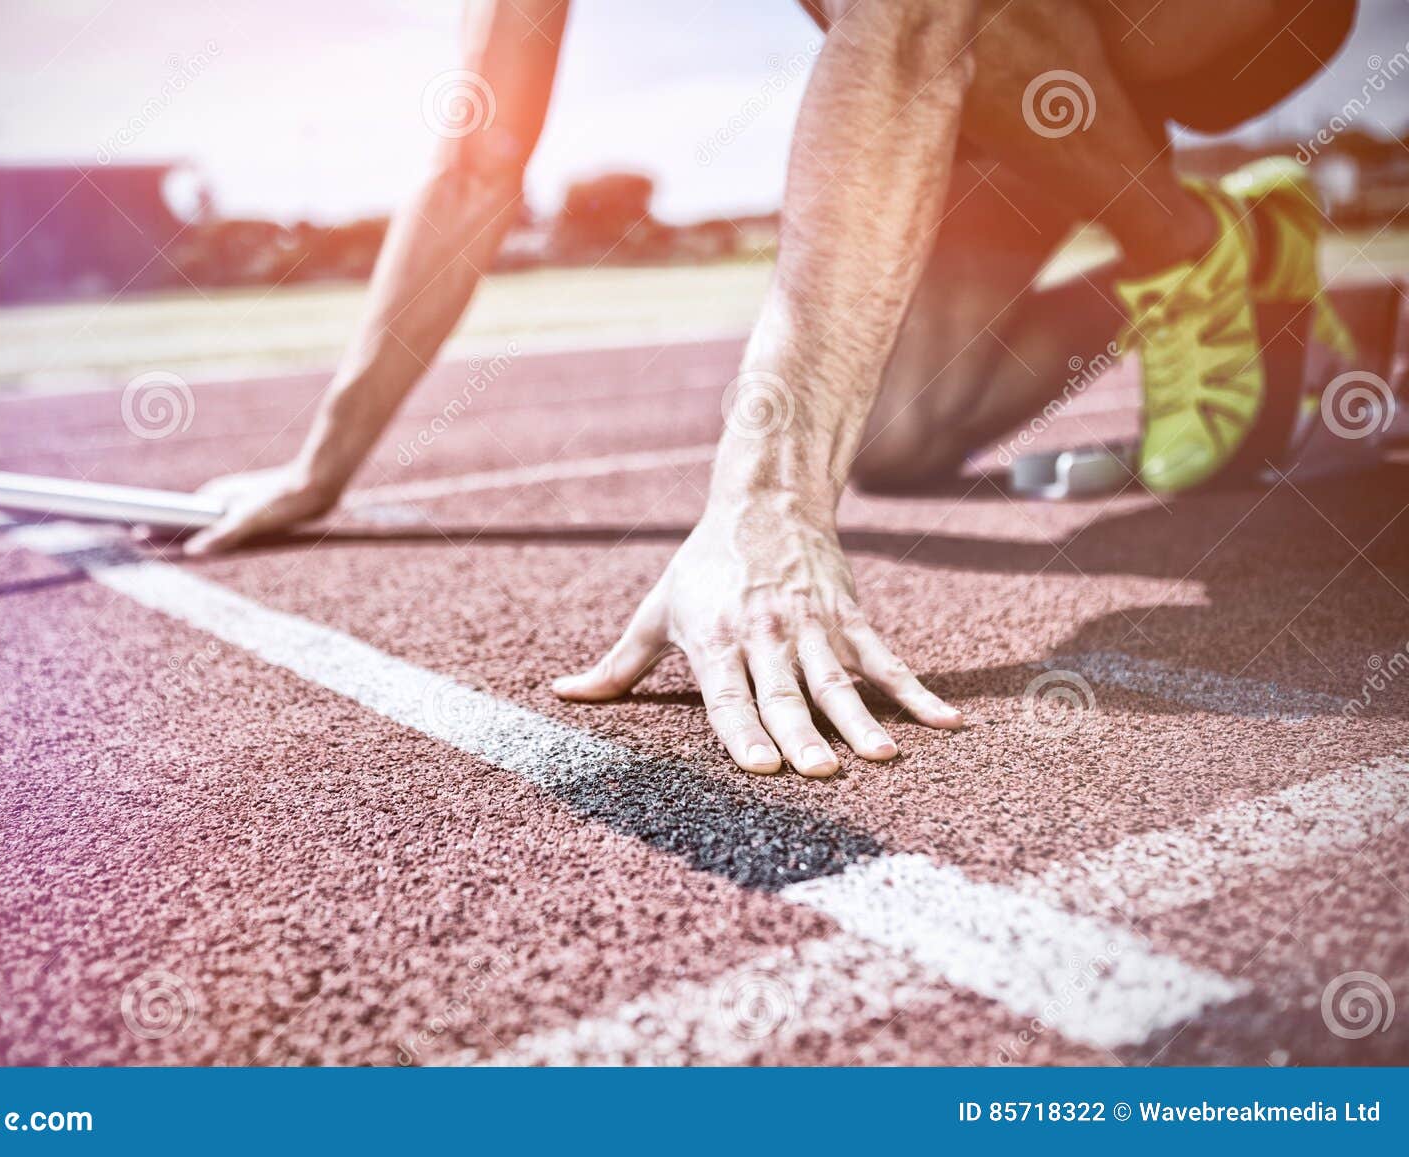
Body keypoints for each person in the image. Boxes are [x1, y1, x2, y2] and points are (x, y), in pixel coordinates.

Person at [181, 0, 1356, 776]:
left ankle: (1179, 246)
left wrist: (767, 500)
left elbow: (909, 30)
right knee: (897, 426)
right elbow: (479, 158)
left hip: (1218, 21)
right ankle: (1249, 244)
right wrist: (320, 460)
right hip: (1031, 64)